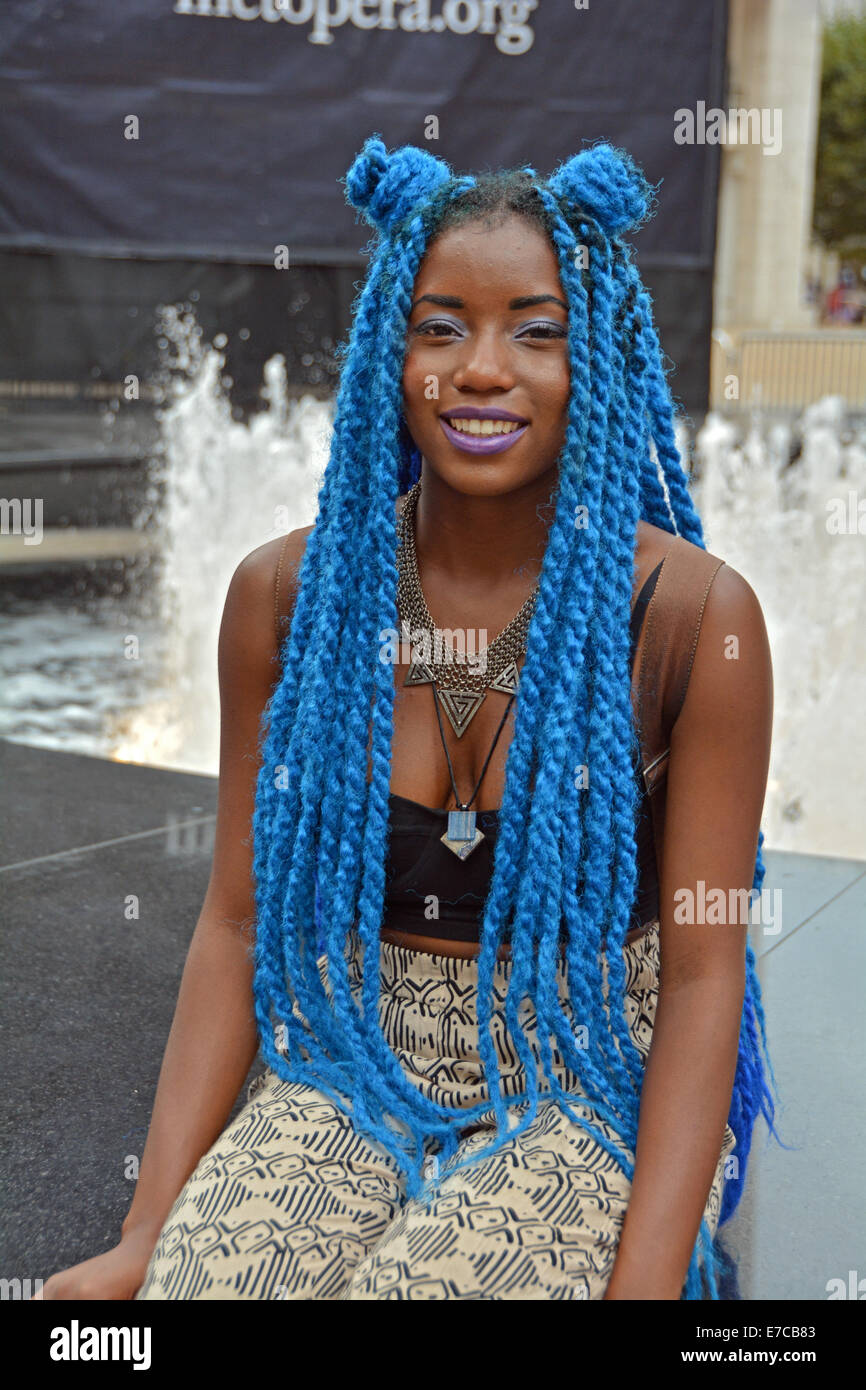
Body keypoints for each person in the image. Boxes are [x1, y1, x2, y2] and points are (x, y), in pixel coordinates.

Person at [38, 135, 778, 1302]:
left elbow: (700, 981)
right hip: (352, 1055)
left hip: (584, 1066)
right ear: (391, 343)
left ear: (599, 359)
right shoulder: (286, 599)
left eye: (536, 330)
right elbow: (234, 924)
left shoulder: (690, 619)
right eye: (441, 326)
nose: (482, 368)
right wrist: (146, 1232)